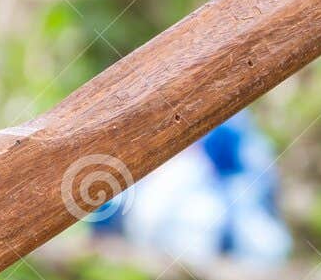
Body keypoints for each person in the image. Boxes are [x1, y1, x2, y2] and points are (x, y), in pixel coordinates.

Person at [86, 109, 290, 265]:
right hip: (152, 231)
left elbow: (256, 175)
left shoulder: (230, 127)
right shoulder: (146, 125)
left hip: (214, 225)